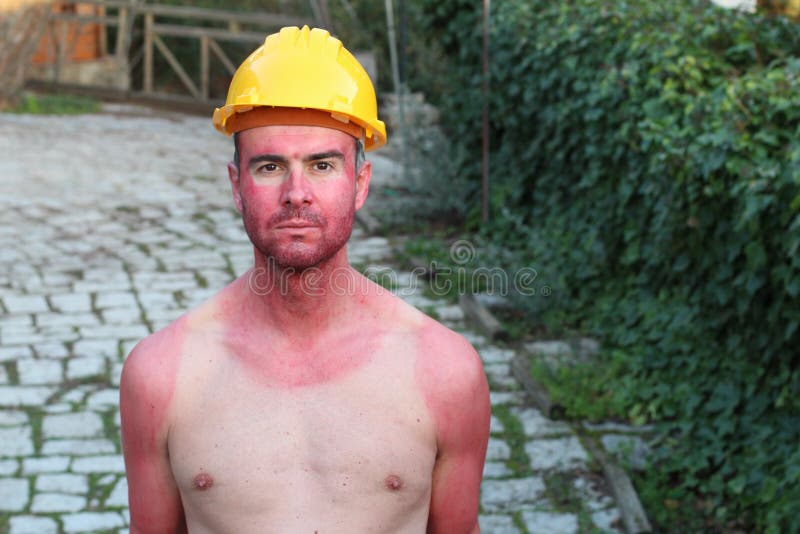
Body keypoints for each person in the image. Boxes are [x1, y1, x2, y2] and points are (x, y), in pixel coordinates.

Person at [120, 25, 490, 533]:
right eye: (270, 166)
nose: (297, 192)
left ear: (360, 182)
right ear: (236, 186)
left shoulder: (446, 374)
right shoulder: (161, 377)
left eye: (322, 165)